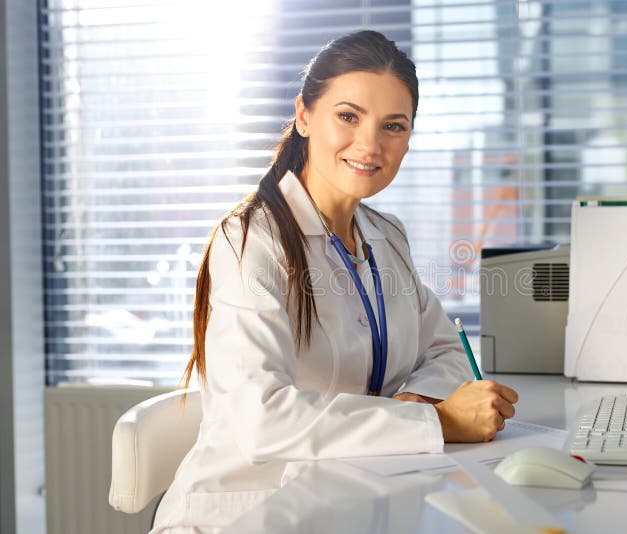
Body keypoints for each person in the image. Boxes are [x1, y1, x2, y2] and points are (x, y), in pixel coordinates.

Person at [151, 30, 519, 533]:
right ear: (304, 116)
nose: (370, 144)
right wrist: (435, 421)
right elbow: (264, 419)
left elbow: (446, 350)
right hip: (248, 515)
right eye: (348, 116)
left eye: (393, 125)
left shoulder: (385, 236)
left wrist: (414, 403)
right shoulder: (250, 241)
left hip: (352, 500)